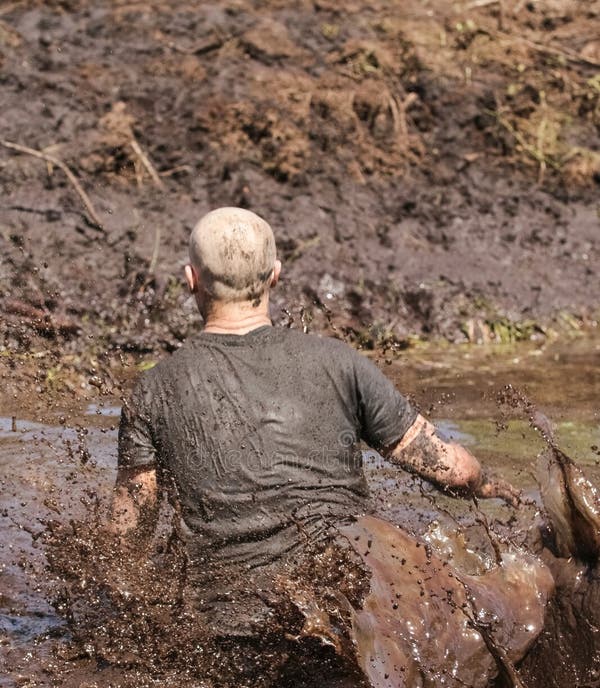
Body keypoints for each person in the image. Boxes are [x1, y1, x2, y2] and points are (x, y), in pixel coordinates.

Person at [111, 206, 518, 647]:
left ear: (192, 280)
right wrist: (491, 485)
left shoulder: (153, 390)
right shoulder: (340, 363)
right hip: (348, 611)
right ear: (275, 276)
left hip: (228, 629)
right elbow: (449, 469)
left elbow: (128, 533)